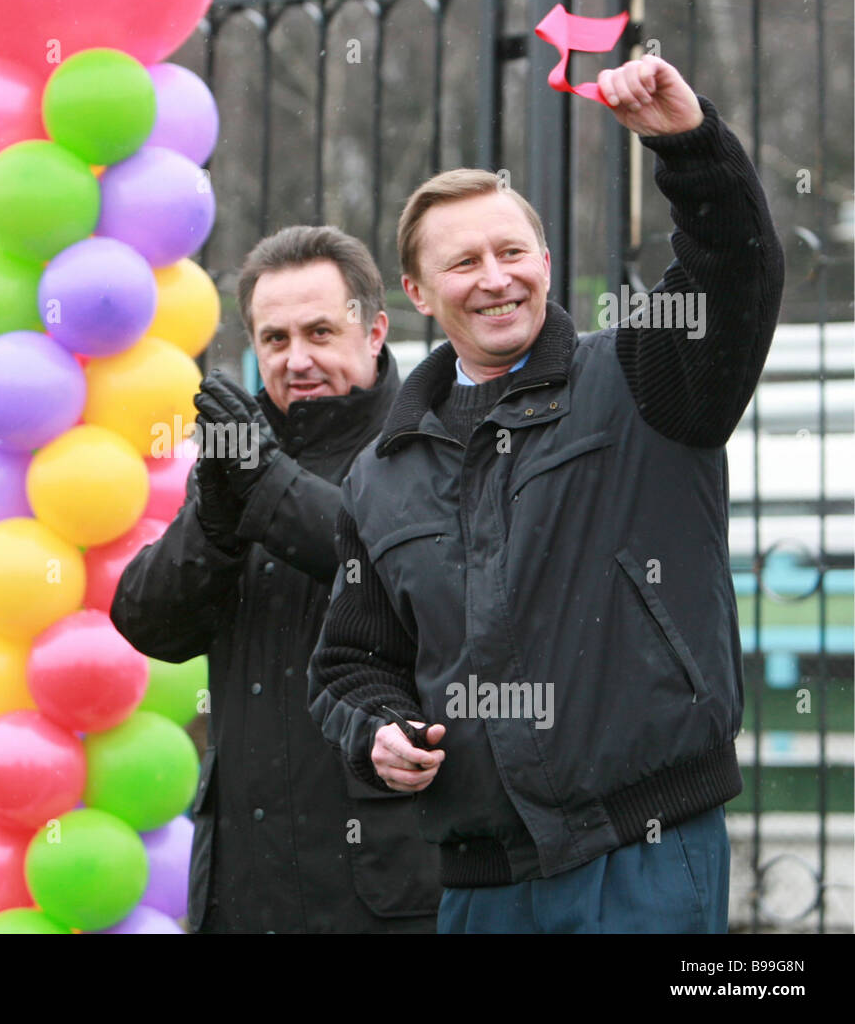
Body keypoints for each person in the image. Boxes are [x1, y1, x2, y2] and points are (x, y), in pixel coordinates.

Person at [308, 56, 785, 934]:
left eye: (511, 251)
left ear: (546, 262)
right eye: (463, 264)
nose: (495, 278)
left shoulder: (642, 374)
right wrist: (376, 728)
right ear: (416, 293)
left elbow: (737, 273)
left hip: (643, 853)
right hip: (481, 883)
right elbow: (350, 662)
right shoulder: (380, 472)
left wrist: (689, 146)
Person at [111, 226, 441, 933]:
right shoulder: (241, 456)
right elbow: (147, 620)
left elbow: (391, 570)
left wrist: (265, 484)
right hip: (245, 881)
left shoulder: (427, 437)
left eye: (320, 332)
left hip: (381, 883)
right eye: (275, 339)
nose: (297, 360)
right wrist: (218, 518)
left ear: (375, 330)